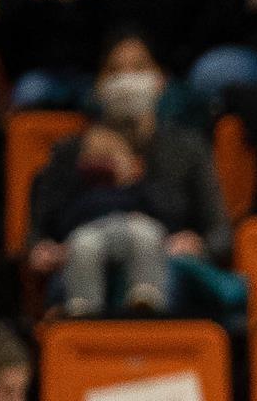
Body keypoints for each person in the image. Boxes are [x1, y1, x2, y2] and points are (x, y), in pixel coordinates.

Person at [27, 33, 231, 316]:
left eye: (138, 68)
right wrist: (41, 249)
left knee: (164, 280)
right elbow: (40, 228)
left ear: (160, 80)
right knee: (71, 281)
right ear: (99, 85)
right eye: (115, 70)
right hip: (81, 254)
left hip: (163, 259)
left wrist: (198, 245)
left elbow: (220, 232)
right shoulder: (70, 151)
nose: (127, 79)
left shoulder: (188, 148)